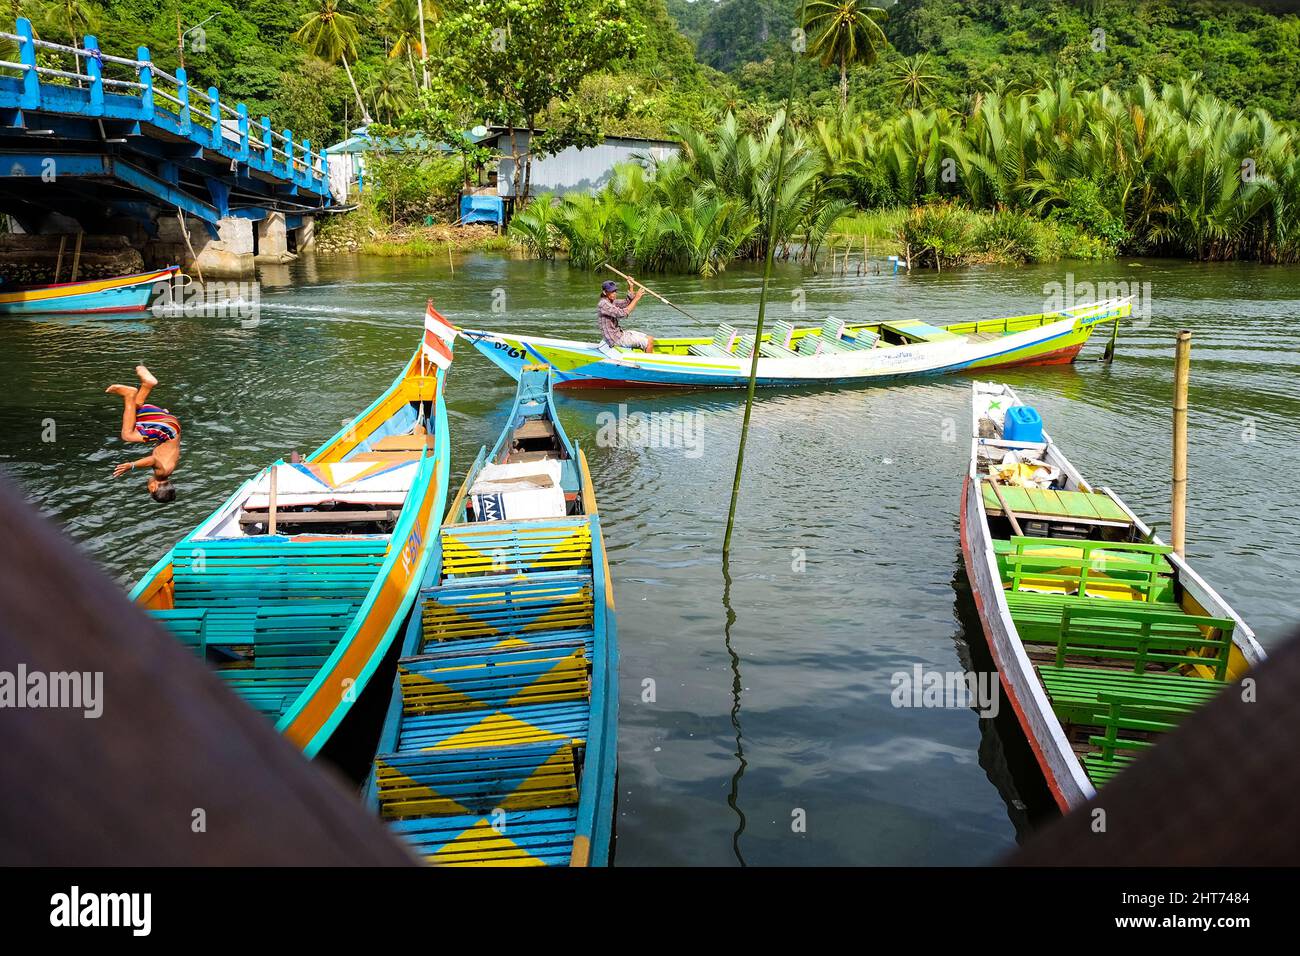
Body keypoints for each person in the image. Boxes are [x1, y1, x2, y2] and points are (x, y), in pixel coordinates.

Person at [106, 365, 180, 503]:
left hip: (171, 425)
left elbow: (167, 446)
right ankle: (128, 394)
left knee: (135, 409)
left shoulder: (170, 469)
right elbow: (153, 460)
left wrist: (161, 417)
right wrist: (131, 465)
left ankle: (147, 384)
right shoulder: (161, 473)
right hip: (166, 429)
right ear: (153, 488)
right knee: (127, 435)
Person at [597, 279, 656, 352]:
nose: (614, 293)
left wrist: (630, 286)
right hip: (615, 339)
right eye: (612, 292)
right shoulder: (604, 304)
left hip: (619, 334)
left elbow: (626, 303)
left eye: (615, 291)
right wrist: (637, 298)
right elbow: (623, 314)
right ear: (604, 292)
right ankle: (648, 362)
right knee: (648, 343)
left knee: (650, 338)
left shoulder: (612, 301)